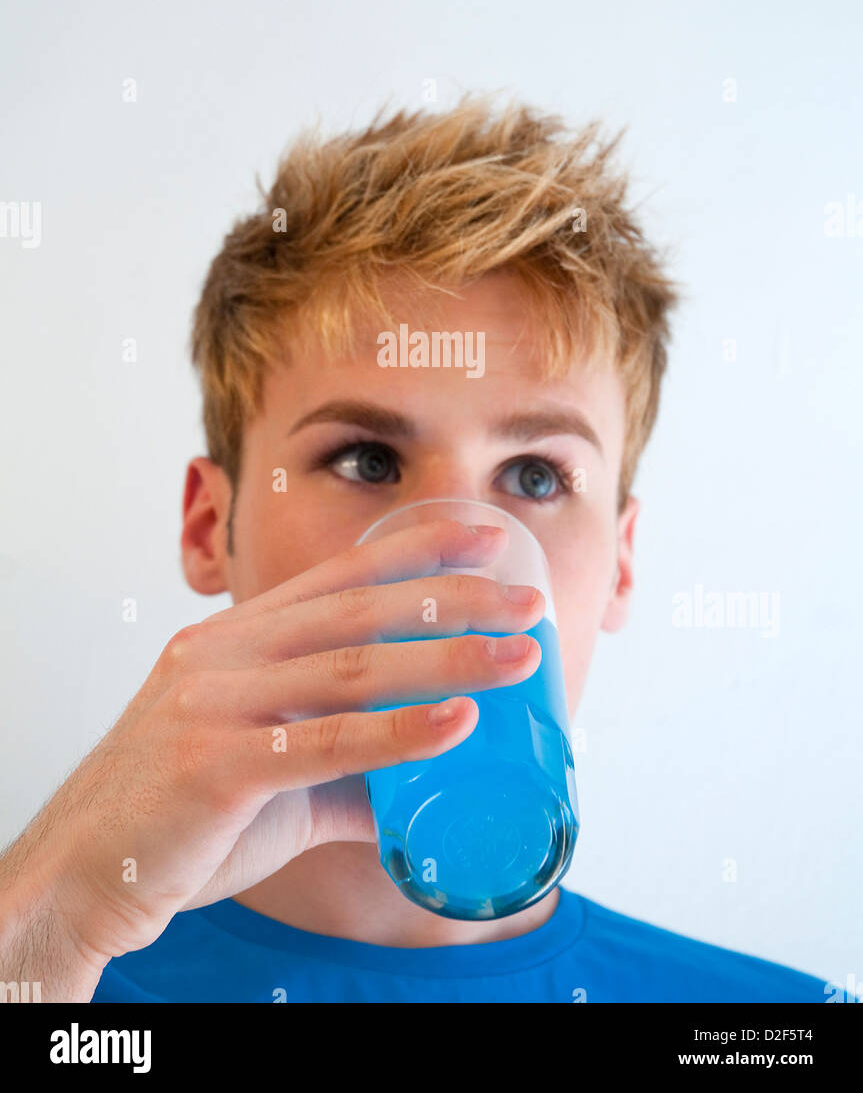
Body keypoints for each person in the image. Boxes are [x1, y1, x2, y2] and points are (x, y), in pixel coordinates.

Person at [0, 96, 838, 1002]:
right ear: (213, 526)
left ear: (620, 565)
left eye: (533, 478)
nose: (458, 553)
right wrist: (44, 922)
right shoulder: (64, 971)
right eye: (367, 459)